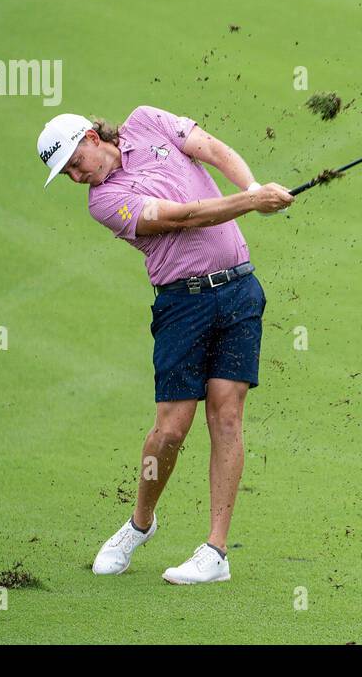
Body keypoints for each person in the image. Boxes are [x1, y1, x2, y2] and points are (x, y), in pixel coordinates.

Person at [36, 106, 294, 584]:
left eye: (74, 162)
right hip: (182, 307)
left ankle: (216, 552)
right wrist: (251, 203)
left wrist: (252, 187)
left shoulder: (146, 122)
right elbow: (182, 218)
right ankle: (140, 524)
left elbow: (212, 150)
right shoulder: (104, 202)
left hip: (240, 290)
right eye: (66, 172)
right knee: (171, 430)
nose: (75, 176)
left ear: (93, 137)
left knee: (227, 414)